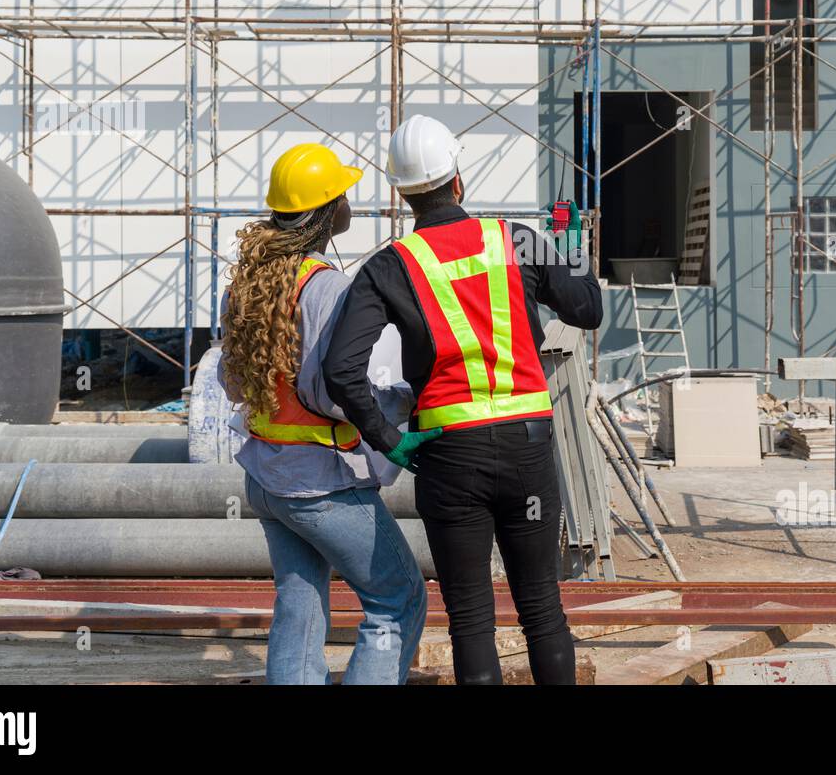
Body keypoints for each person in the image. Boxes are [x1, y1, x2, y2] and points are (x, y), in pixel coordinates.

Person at [324, 115, 603, 685]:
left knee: (471, 621)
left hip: (449, 456)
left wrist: (391, 442)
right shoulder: (517, 238)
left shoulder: (389, 265)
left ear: (404, 194)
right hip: (528, 446)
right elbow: (587, 310)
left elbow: (341, 370)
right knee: (543, 610)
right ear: (458, 180)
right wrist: (572, 252)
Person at [217, 142, 427, 685]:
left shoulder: (248, 286)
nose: (350, 202)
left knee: (301, 603)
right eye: (343, 193)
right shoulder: (329, 288)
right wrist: (402, 403)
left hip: (266, 475)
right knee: (396, 599)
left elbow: (231, 381)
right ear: (328, 210)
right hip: (322, 483)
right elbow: (341, 389)